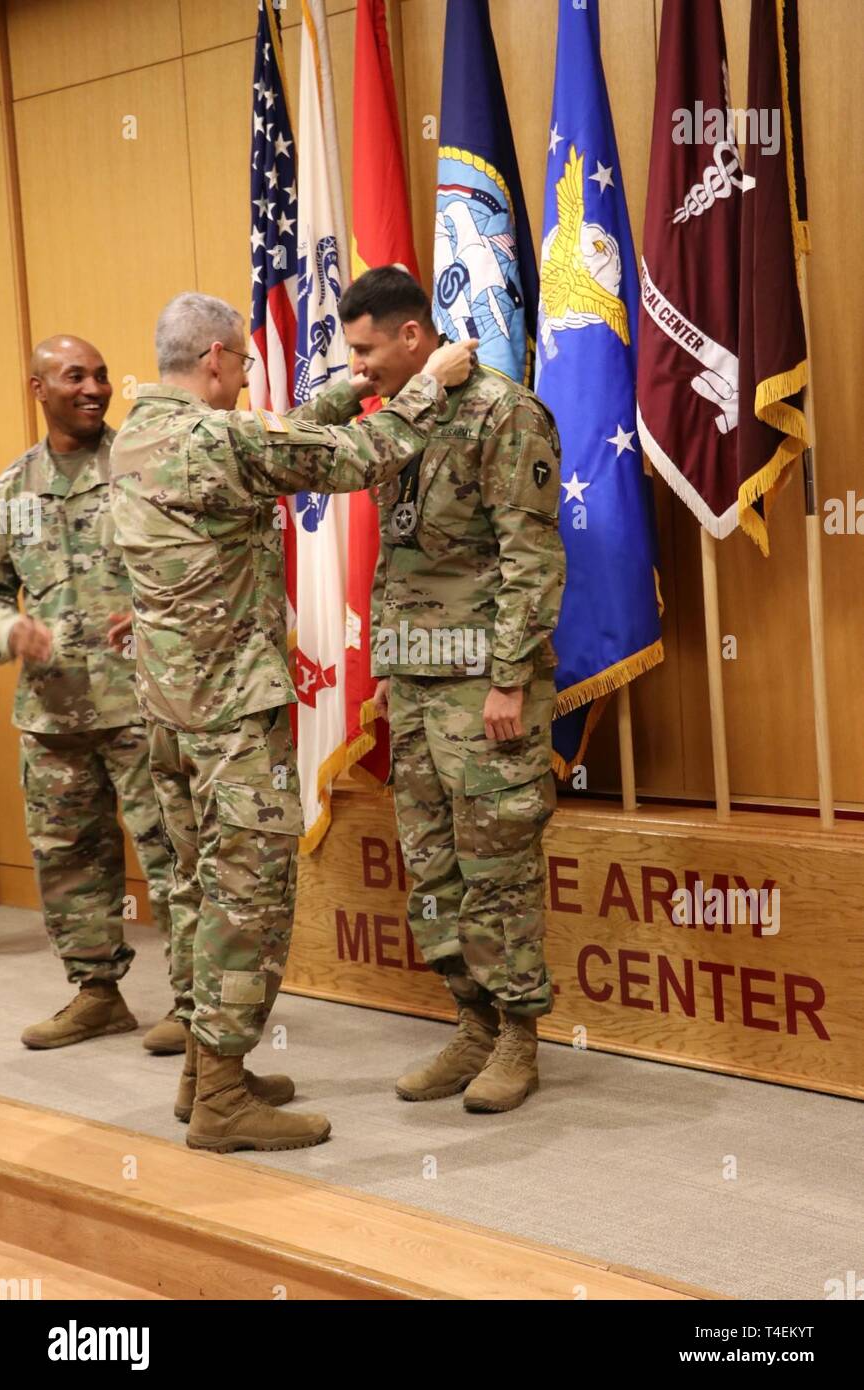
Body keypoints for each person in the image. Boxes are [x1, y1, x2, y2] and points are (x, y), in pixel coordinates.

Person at [110, 290, 475, 1153]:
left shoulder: (140, 435)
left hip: (168, 711)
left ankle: (205, 1073)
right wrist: (430, 384)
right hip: (232, 718)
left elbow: (280, 440)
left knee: (197, 892)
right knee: (249, 903)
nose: (244, 379)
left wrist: (347, 387)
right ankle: (226, 1105)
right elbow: (359, 459)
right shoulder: (214, 437)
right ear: (214, 360)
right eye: (240, 364)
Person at [339, 266, 565, 1113]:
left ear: (411, 335)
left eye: (366, 350)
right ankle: (469, 1021)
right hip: (416, 681)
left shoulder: (504, 414)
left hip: (484, 686)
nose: (356, 368)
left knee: (496, 861)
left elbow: (530, 559)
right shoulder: (397, 420)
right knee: (432, 864)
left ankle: (518, 1037)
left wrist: (509, 681)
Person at [0, 336, 182, 1054]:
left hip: (143, 704)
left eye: (103, 375)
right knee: (69, 860)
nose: (96, 387)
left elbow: (193, 566)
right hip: (51, 715)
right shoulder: (12, 489)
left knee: (170, 855)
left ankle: (194, 1005)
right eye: (76, 375)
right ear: (38, 386)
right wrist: (11, 628)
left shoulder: (139, 467)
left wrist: (150, 615)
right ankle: (97, 994)